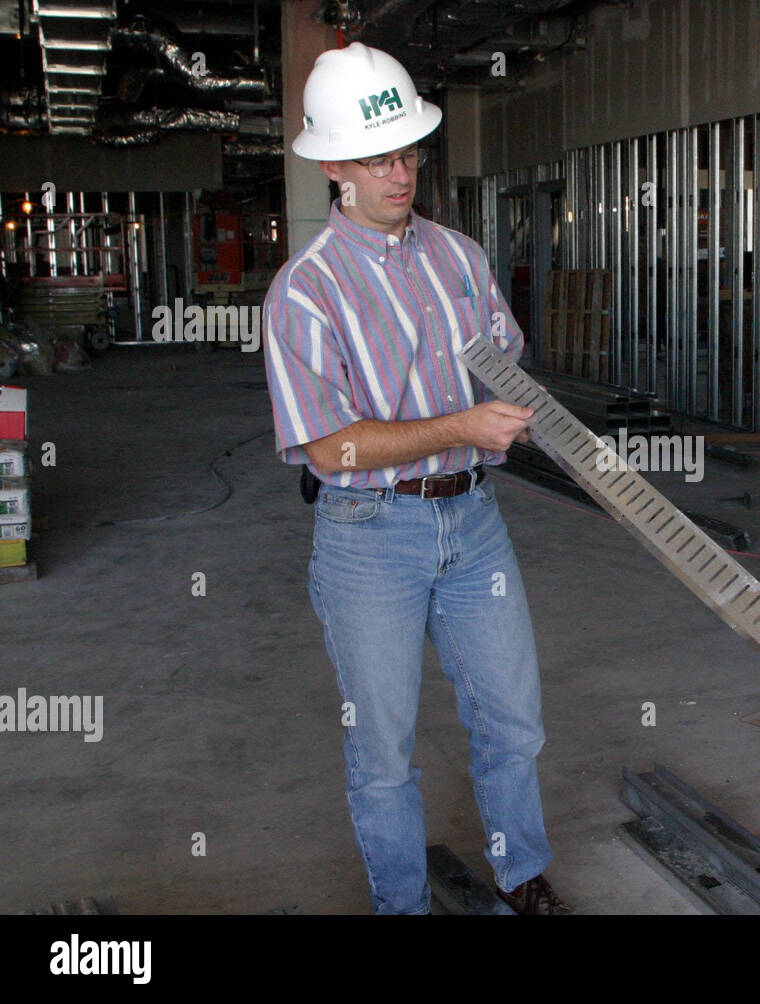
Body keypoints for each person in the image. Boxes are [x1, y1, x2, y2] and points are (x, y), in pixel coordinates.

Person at [261, 42, 569, 915]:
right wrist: (462, 426)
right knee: (385, 748)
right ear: (332, 166)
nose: (400, 173)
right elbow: (329, 452)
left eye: (407, 152)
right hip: (370, 538)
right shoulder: (305, 293)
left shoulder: (460, 258)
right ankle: (402, 904)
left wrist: (516, 404)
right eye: (376, 158)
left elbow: (501, 357)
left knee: (513, 718)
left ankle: (520, 871)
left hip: (473, 522)